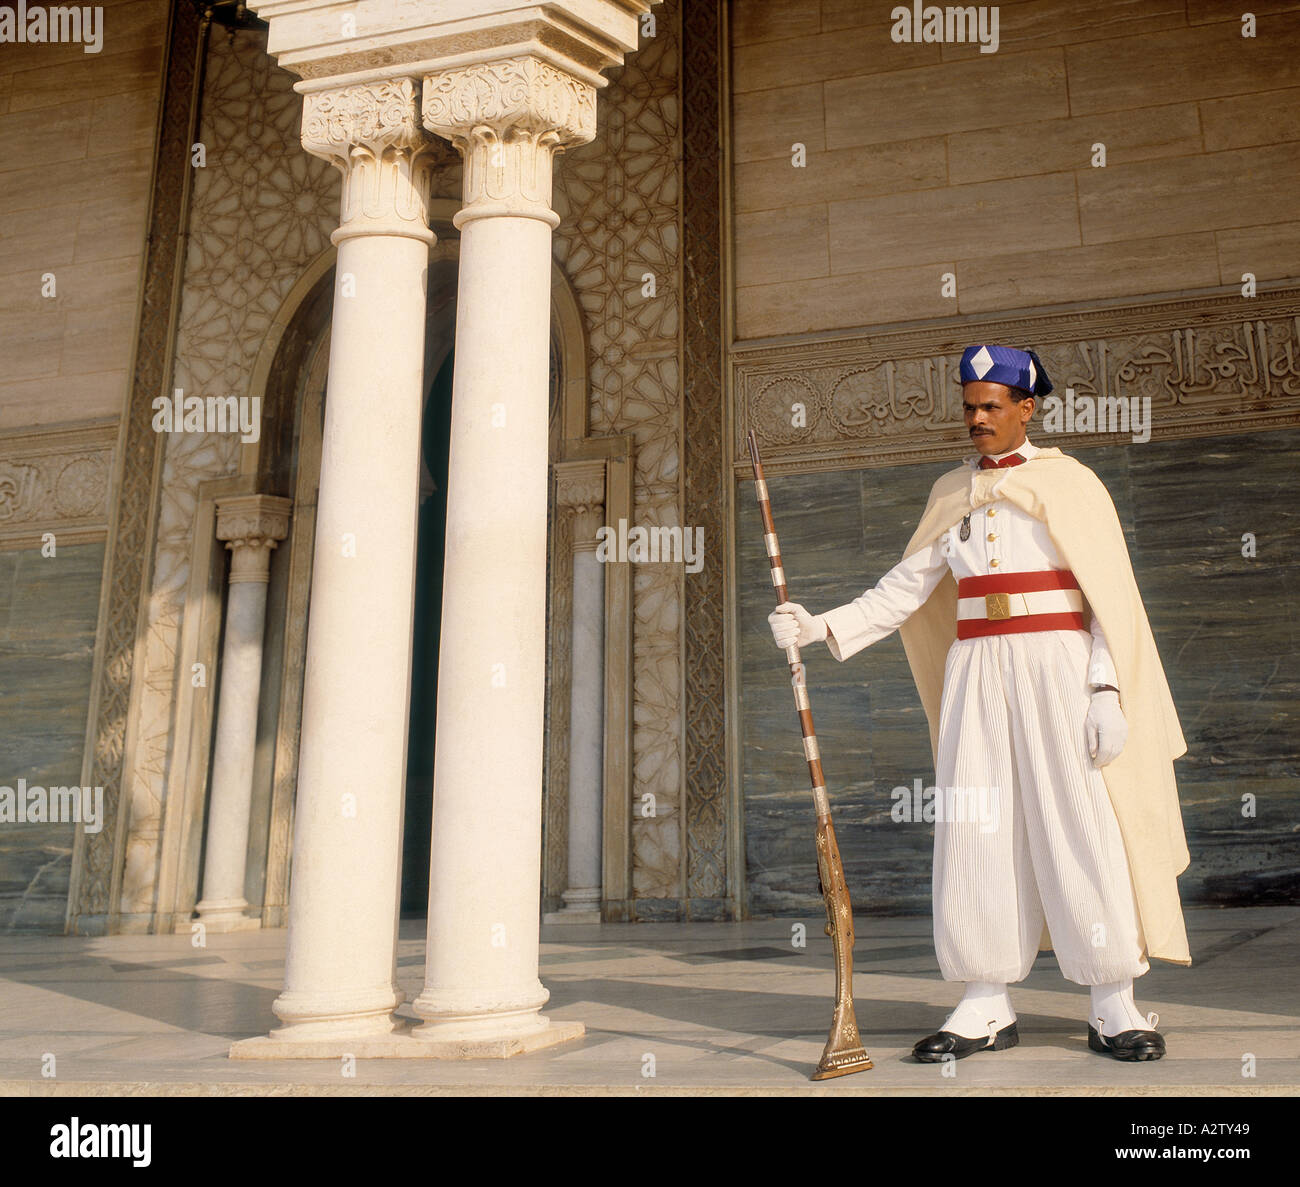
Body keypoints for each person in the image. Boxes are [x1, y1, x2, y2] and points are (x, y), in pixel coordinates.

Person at [768, 344, 1191, 1062]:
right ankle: (983, 1000)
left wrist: (1107, 689)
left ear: (1027, 408)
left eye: (991, 405)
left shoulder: (1074, 484)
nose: (977, 418)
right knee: (975, 827)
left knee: (1078, 823)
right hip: (976, 669)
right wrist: (823, 625)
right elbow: (905, 587)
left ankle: (1113, 998)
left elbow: (1108, 605)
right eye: (969, 406)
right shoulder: (950, 493)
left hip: (1058, 666)